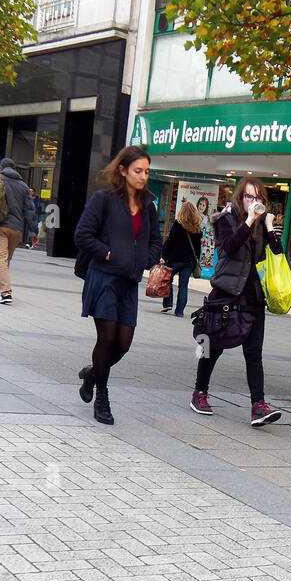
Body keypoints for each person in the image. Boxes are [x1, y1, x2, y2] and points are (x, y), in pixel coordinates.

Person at [73, 145, 162, 426]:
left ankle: (91, 374)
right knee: (107, 338)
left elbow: (156, 242)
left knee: (123, 344)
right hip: (104, 278)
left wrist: (143, 260)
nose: (143, 176)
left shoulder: (148, 205)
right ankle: (101, 396)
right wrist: (110, 253)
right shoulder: (105, 199)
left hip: (129, 282)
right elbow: (82, 235)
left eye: (147, 171)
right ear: (123, 171)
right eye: (138, 170)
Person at [189, 178, 283, 426]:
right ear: (240, 198)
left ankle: (258, 406)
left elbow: (276, 255)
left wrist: (270, 228)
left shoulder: (264, 224)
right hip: (227, 294)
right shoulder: (225, 219)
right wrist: (250, 220)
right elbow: (229, 248)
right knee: (212, 346)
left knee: (254, 354)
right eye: (249, 197)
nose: (255, 202)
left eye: (259, 198)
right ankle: (200, 392)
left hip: (253, 296)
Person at [0, 156, 37, 304]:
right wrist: (33, 232)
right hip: (16, 229)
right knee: (5, 259)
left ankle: (5, 293)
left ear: (1, 168)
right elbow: (30, 210)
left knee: (1, 259)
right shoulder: (23, 186)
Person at [160, 201, 203, 316]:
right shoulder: (196, 228)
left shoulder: (178, 224)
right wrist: (195, 261)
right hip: (189, 262)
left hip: (175, 259)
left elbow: (170, 241)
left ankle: (168, 303)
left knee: (167, 280)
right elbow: (198, 248)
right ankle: (179, 312)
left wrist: (163, 255)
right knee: (183, 286)